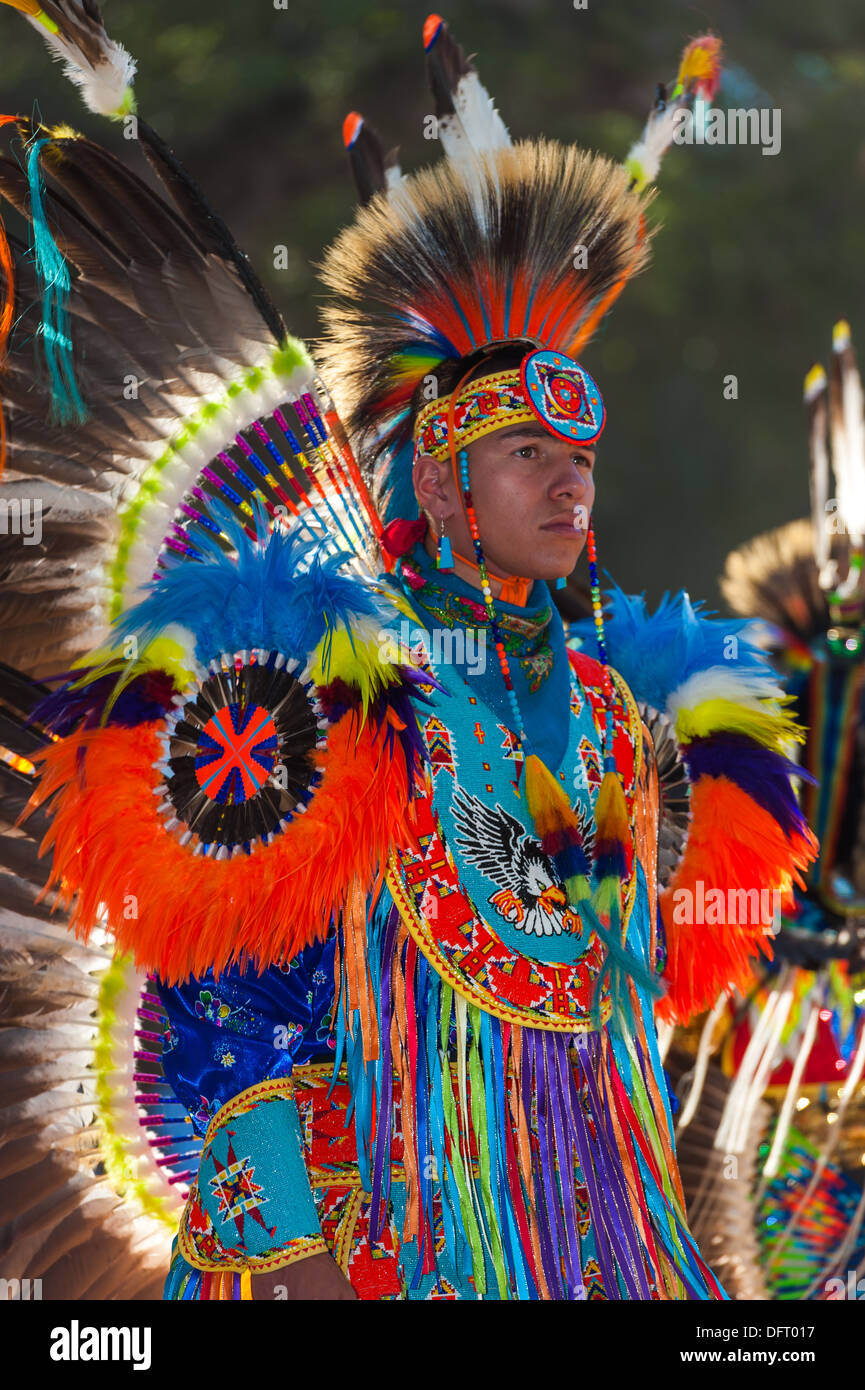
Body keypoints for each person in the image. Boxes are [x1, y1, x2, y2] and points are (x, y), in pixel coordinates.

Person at [0, 8, 817, 1299]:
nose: (569, 489)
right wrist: (313, 1267)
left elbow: (626, 1037)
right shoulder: (353, 689)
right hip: (381, 1251)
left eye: (583, 461)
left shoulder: (615, 718)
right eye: (528, 456)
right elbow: (231, 1011)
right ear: (439, 486)